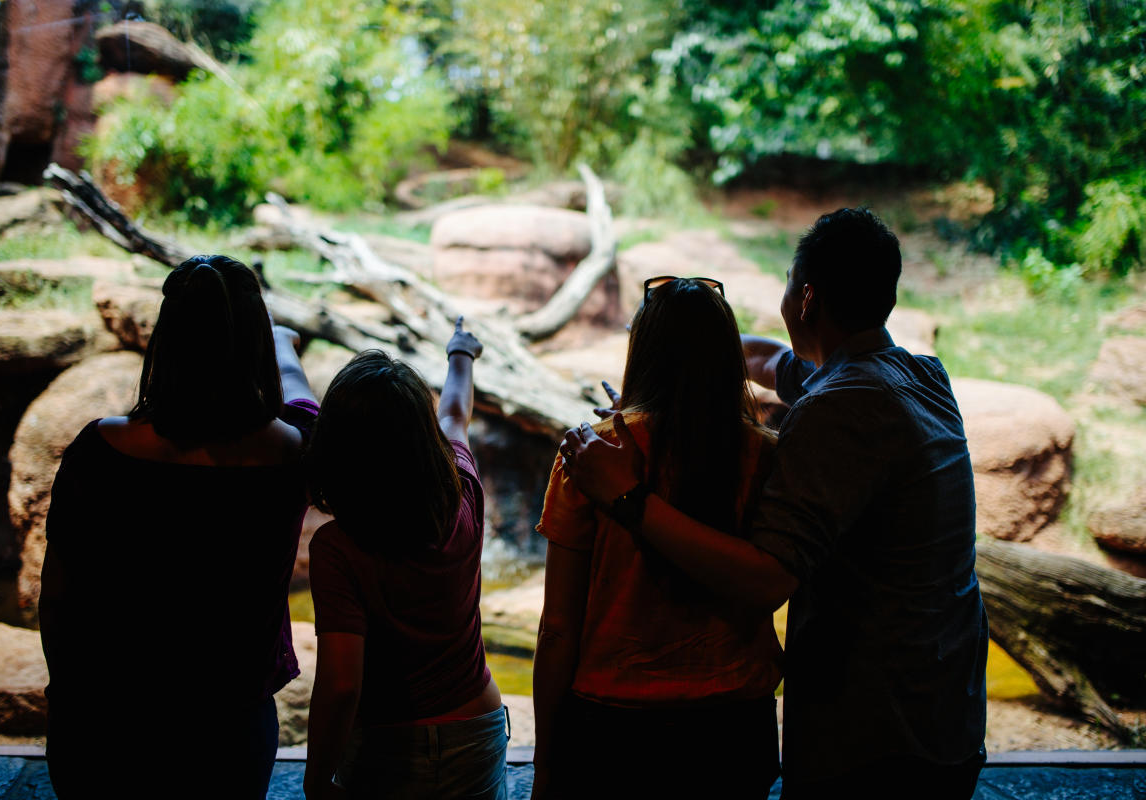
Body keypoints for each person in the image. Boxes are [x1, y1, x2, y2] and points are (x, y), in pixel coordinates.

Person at [560, 209, 988, 800]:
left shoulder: (836, 409)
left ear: (806, 297)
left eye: (788, 283)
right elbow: (765, 362)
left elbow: (766, 580)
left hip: (878, 732)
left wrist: (627, 497)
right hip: (946, 703)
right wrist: (687, 351)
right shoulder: (919, 375)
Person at [38, 254, 318, 799]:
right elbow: (300, 398)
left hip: (107, 716)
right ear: (255, 344)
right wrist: (284, 344)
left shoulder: (99, 450)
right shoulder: (293, 452)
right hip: (230, 723)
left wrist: (63, 697)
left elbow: (58, 595)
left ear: (165, 344)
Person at [533, 277, 783, 800]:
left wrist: (547, 761)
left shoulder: (589, 456)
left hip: (612, 725)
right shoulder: (767, 457)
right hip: (733, 724)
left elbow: (558, 627)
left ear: (642, 349)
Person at [303, 318, 507, 800]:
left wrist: (315, 779)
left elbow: (340, 684)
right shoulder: (464, 490)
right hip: (477, 726)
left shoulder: (338, 548)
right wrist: (461, 353)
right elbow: (455, 414)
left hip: (386, 745)